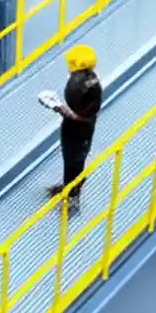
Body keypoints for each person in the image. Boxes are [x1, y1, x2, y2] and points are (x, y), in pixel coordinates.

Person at [39, 44, 102, 210]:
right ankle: (68, 185)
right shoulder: (82, 79)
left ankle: (73, 197)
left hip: (80, 132)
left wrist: (60, 108)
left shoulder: (91, 88)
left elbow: (84, 115)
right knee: (69, 160)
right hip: (71, 129)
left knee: (75, 161)